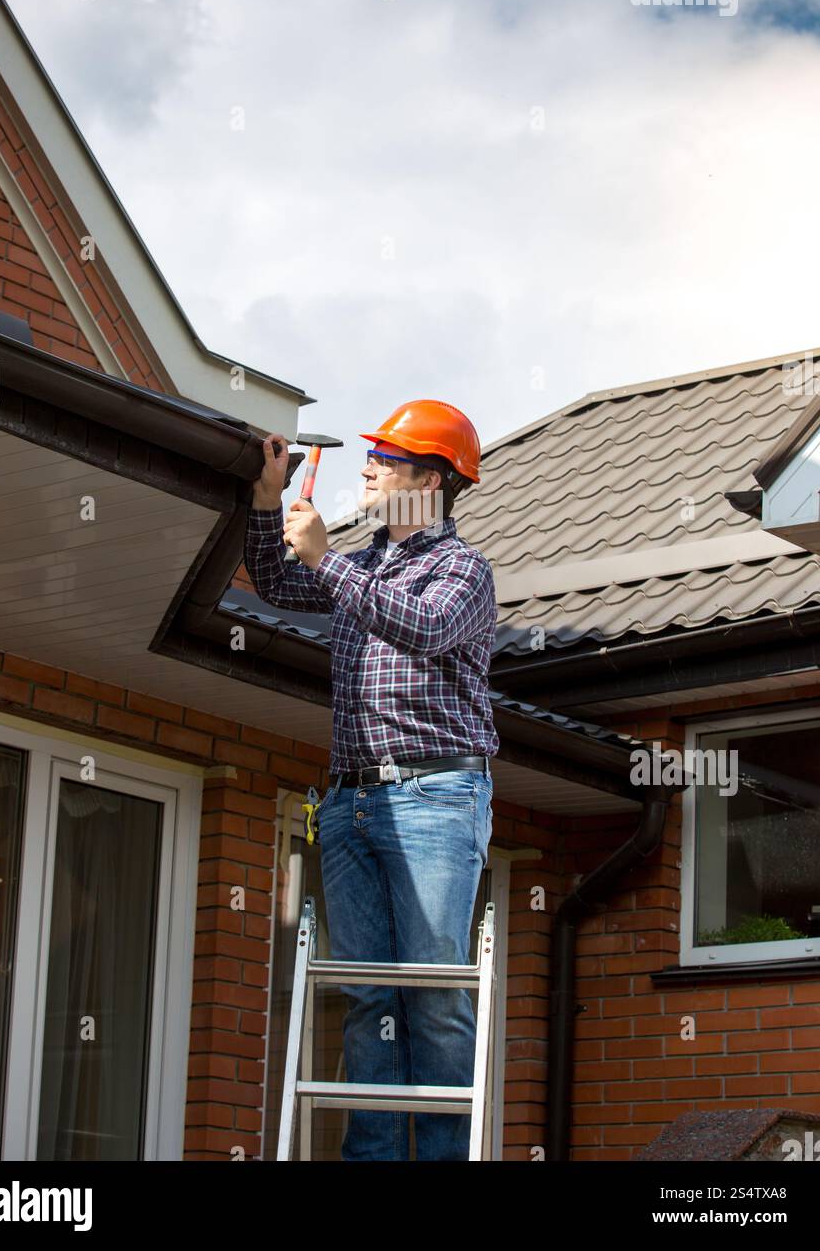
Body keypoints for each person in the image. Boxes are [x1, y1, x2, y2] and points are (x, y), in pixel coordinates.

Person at [245, 399, 499, 1161]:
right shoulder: (359, 564)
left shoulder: (462, 571)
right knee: (367, 997)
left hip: (436, 797)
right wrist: (266, 504)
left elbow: (419, 628)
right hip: (352, 799)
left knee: (431, 995)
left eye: (383, 460)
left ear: (429, 478)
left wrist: (326, 562)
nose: (366, 468)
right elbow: (275, 584)